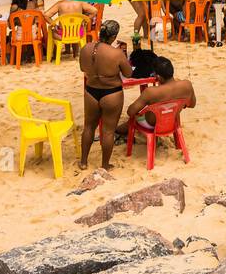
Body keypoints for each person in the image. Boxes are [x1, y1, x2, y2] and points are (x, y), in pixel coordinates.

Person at [79, 20, 130, 170]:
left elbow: (83, 68)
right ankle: (105, 165)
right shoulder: (117, 53)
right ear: (113, 36)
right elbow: (128, 73)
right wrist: (122, 56)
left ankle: (83, 162)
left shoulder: (85, 48)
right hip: (111, 93)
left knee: (88, 126)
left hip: (91, 91)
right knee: (108, 130)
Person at [120, 56, 195, 133]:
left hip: (152, 124)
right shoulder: (187, 85)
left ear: (158, 76)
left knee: (134, 117)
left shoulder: (150, 92)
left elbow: (130, 112)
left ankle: (121, 129)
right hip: (171, 120)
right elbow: (192, 105)